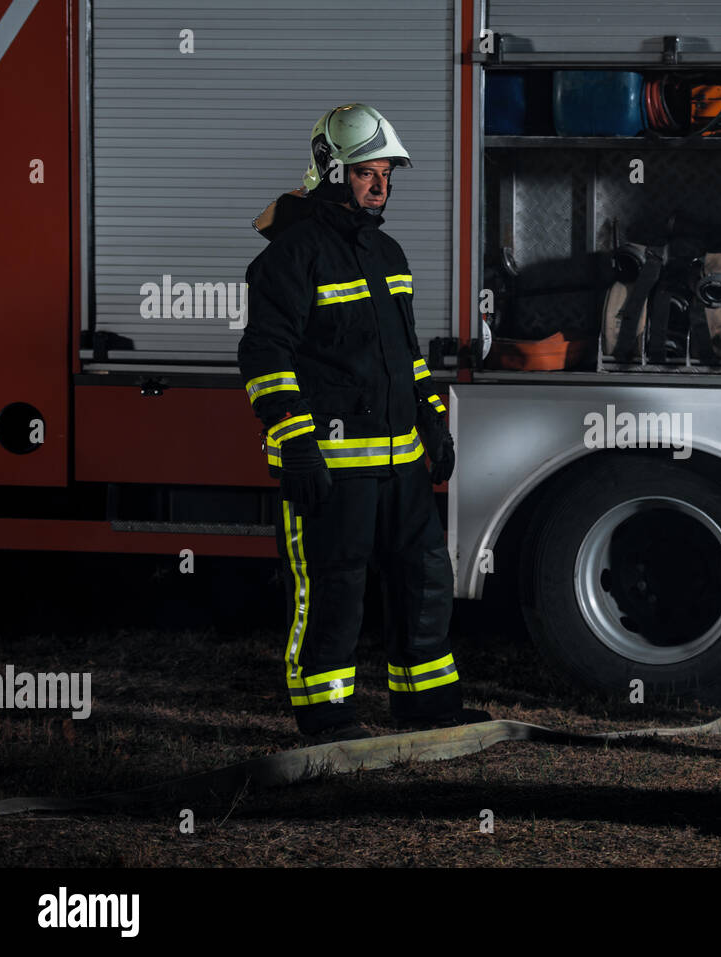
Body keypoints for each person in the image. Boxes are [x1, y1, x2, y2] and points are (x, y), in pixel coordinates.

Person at [239, 103, 484, 742]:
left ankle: (427, 705)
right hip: (331, 467)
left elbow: (407, 353)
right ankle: (327, 716)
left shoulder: (386, 251)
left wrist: (433, 422)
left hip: (400, 462)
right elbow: (265, 356)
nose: (381, 186)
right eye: (366, 173)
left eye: (386, 174)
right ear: (329, 171)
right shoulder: (291, 257)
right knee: (332, 588)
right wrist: (296, 445)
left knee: (425, 577)